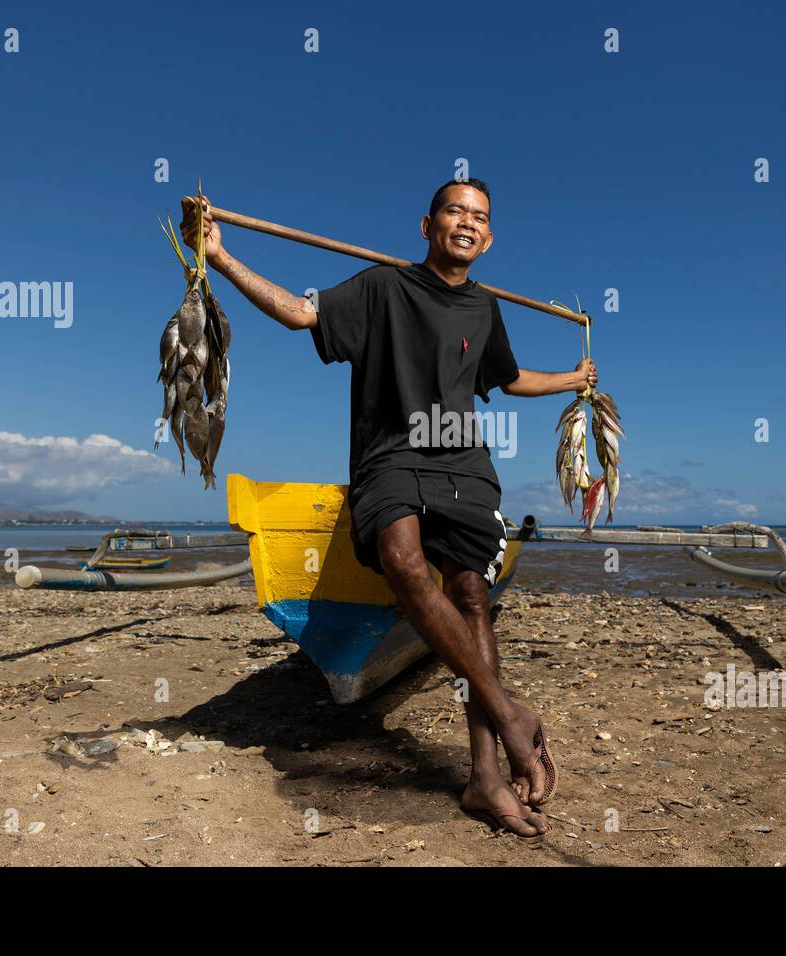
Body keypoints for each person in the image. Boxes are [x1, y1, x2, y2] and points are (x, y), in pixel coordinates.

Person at [180, 179, 596, 837]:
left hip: (465, 467)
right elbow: (297, 313)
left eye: (480, 217)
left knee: (472, 598)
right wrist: (220, 256)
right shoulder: (382, 287)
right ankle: (513, 715)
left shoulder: (486, 308)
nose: (467, 222)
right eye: (455, 211)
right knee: (403, 565)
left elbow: (508, 379)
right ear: (428, 224)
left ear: (488, 237)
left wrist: (573, 381)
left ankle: (486, 779)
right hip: (390, 460)